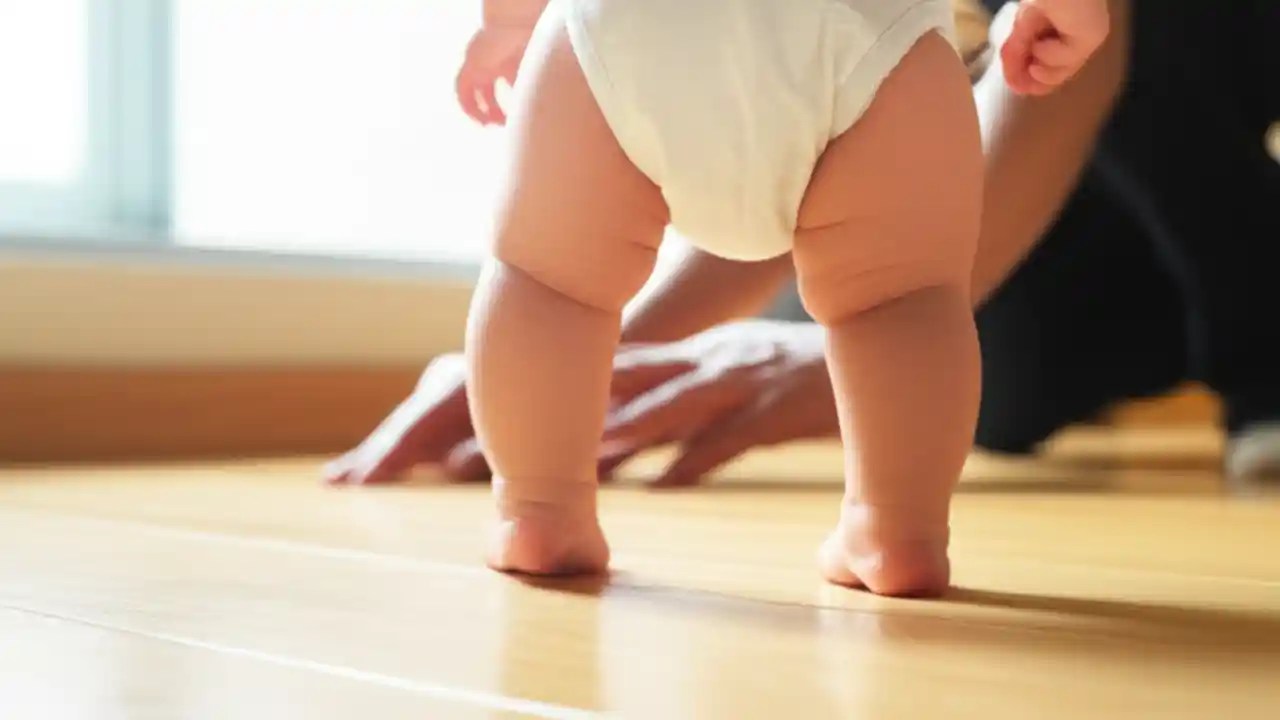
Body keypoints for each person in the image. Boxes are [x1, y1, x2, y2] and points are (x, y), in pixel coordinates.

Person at [325, 0, 1279, 497]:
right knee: (997, 373)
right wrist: (595, 358)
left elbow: (1078, 56)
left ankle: (1260, 357)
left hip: (1165, 83)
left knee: (895, 343)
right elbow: (808, 129)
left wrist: (864, 334)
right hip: (1015, 116)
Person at [330, 0, 1105, 598]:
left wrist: (507, 21)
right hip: (875, 32)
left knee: (549, 284)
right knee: (900, 302)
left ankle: (538, 510)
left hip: (632, 33)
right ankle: (895, 529)